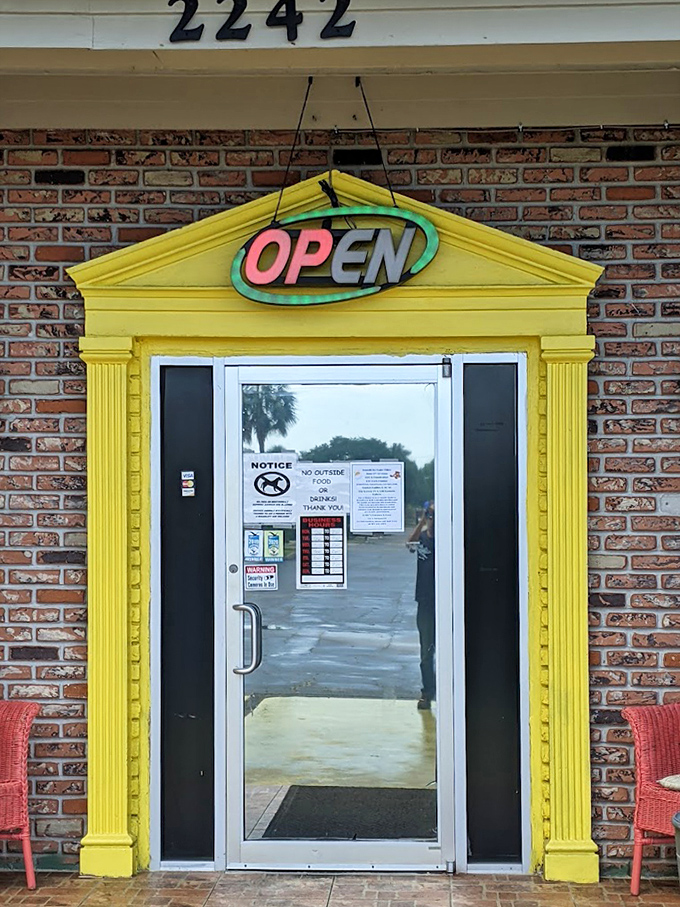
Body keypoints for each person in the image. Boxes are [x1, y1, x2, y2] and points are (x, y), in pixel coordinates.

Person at [407, 501, 435, 710]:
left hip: (443, 602)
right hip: (424, 602)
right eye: (429, 514)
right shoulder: (423, 538)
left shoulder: (447, 538)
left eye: (434, 514)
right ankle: (427, 692)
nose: (432, 518)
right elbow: (410, 542)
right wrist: (422, 523)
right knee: (425, 652)